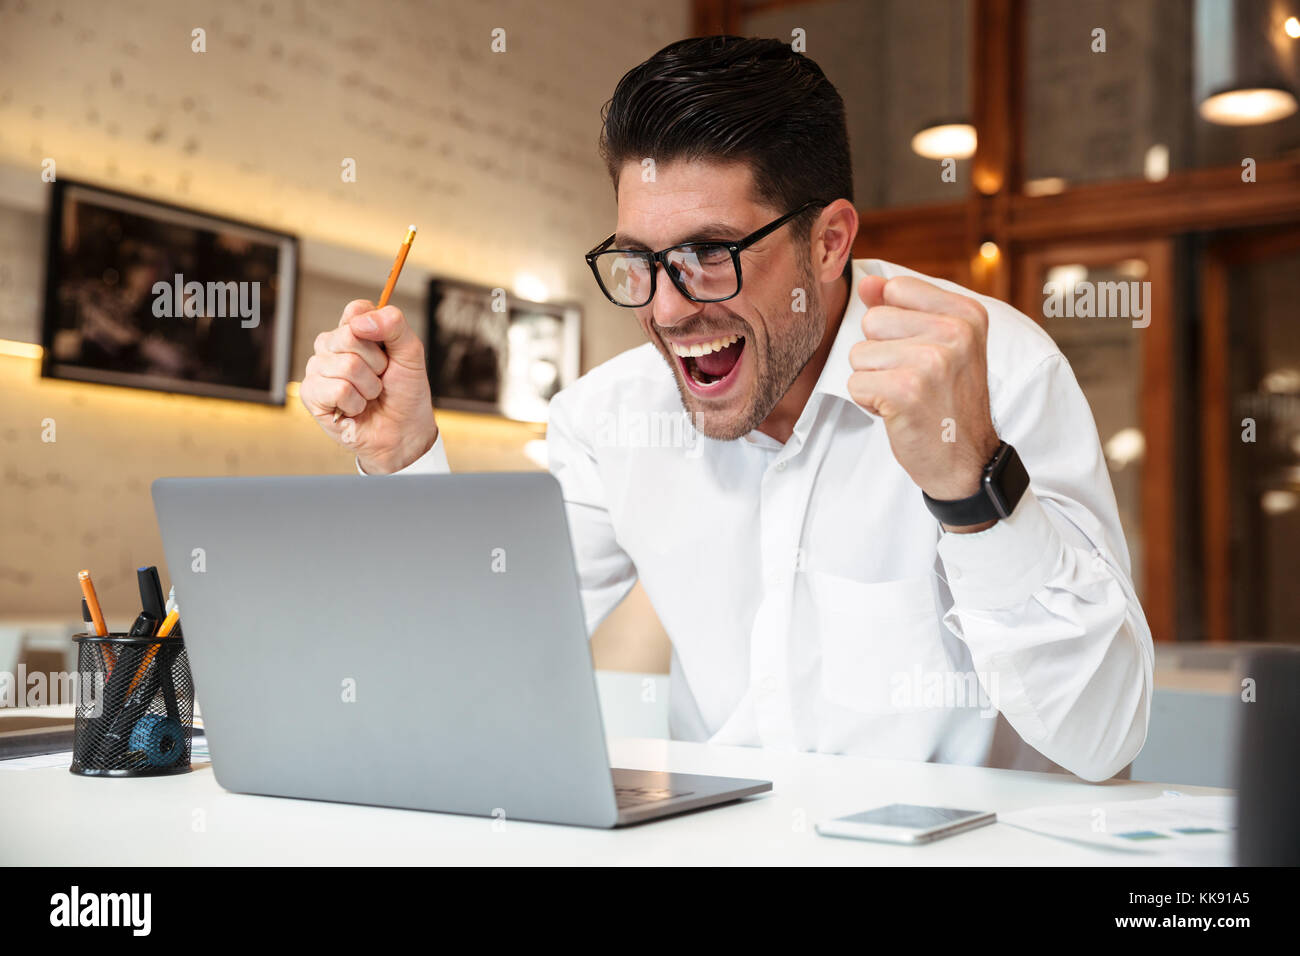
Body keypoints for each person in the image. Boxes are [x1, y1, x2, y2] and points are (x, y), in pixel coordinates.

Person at [299, 36, 1152, 782]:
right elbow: (477, 664)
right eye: (640, 260)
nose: (668, 311)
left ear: (828, 241)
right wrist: (406, 457)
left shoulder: (1000, 369)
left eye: (709, 255)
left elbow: (1103, 736)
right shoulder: (611, 420)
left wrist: (973, 489)